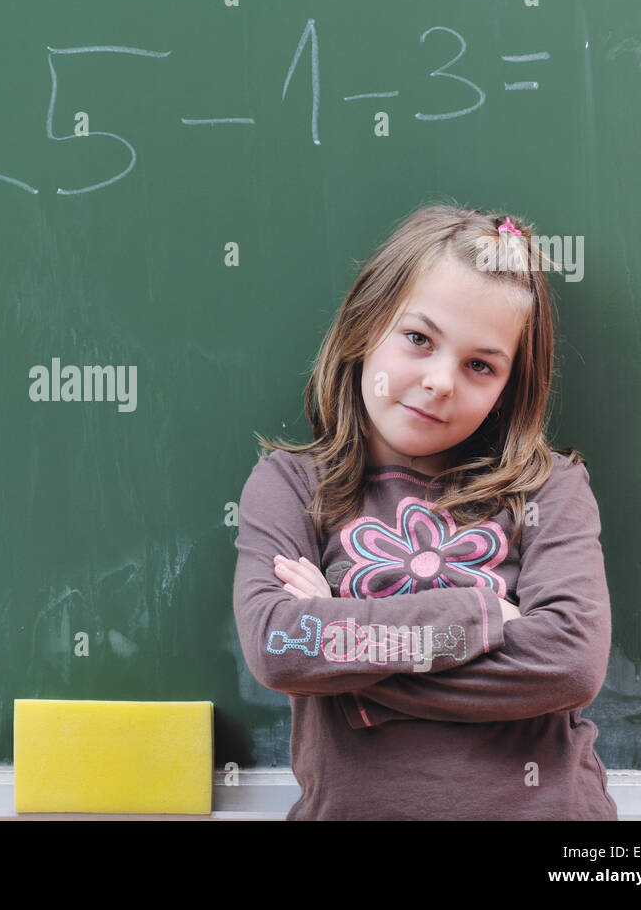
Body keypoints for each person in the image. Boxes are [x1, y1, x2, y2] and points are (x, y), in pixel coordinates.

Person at [233, 203, 617, 820]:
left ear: (507, 387)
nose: (441, 380)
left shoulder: (549, 488)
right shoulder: (292, 484)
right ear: (366, 324)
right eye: (418, 338)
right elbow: (280, 644)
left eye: (480, 365)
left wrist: (348, 659)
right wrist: (481, 615)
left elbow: (570, 663)